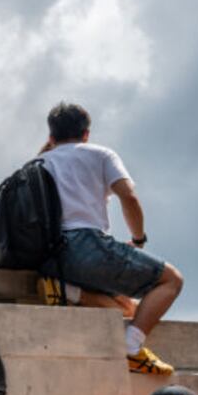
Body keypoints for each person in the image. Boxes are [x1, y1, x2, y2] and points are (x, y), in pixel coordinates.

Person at [34, 102, 183, 375]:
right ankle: (132, 347)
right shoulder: (101, 155)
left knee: (128, 307)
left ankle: (70, 292)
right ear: (86, 133)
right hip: (85, 246)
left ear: (51, 136)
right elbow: (129, 197)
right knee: (171, 280)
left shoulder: (37, 163)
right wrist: (138, 240)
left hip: (47, 256)